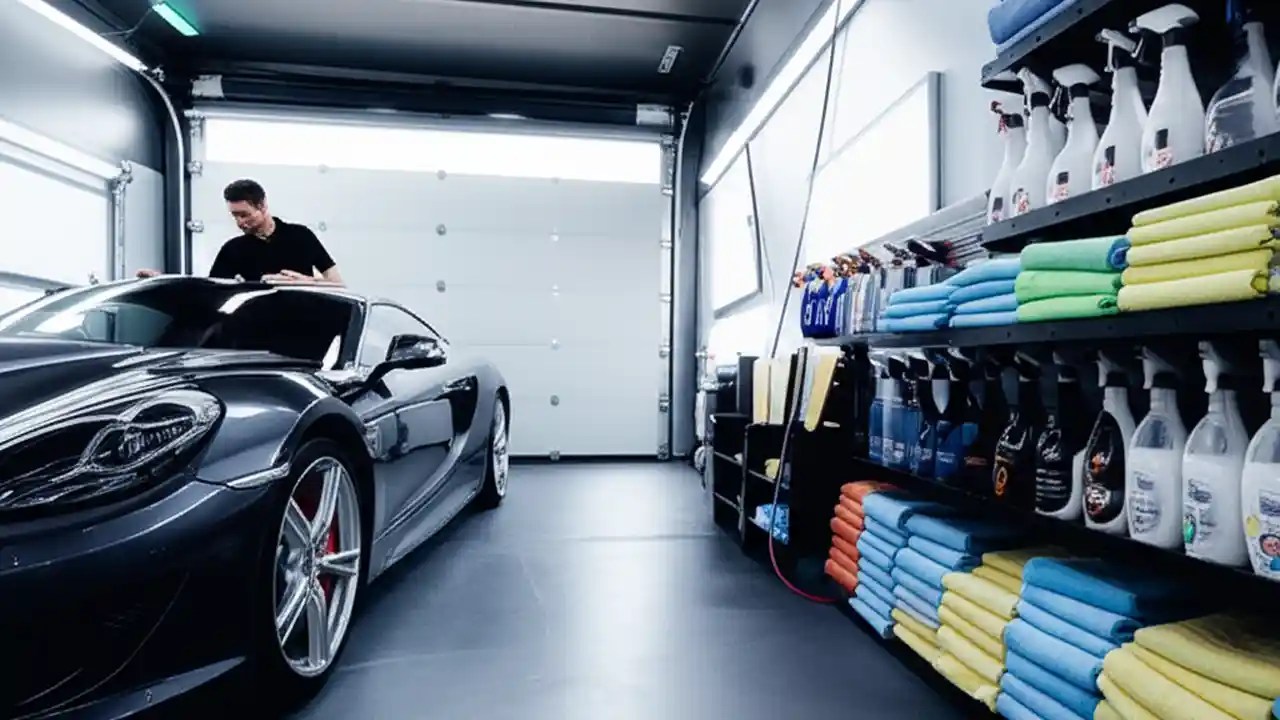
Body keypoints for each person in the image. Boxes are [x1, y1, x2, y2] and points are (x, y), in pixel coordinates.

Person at [136, 179, 344, 285]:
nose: (239, 222)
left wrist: (307, 283)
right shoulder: (233, 249)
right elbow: (209, 290)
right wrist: (164, 281)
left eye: (244, 215)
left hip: (307, 330)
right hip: (259, 335)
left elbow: (338, 284)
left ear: (262, 206)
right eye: (234, 216)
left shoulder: (301, 235)